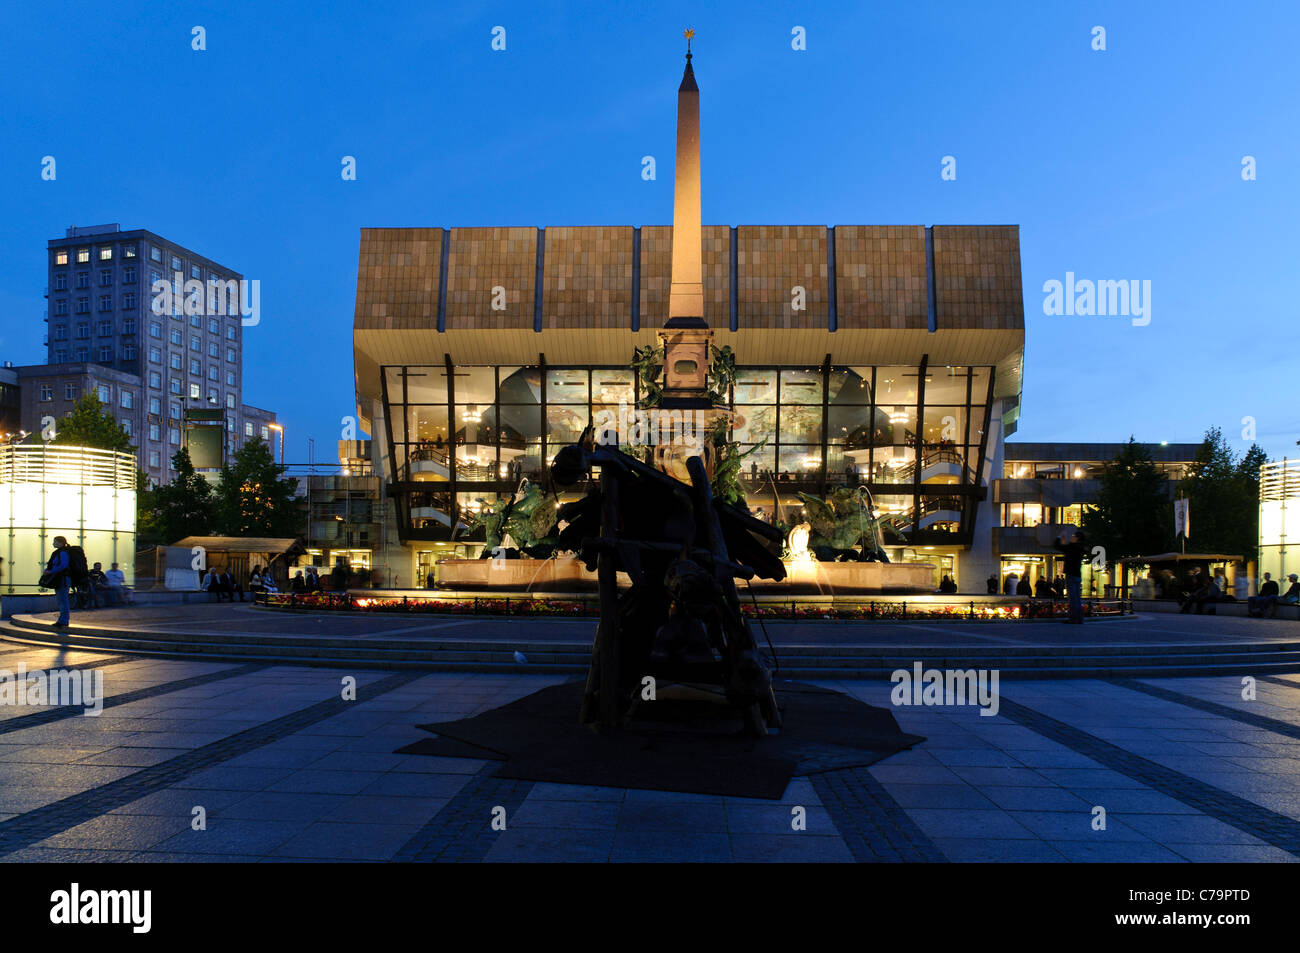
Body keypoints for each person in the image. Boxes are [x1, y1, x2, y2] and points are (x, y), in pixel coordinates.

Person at [1052, 530, 1087, 623]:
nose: (1071, 537)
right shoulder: (1081, 548)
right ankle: (1080, 618)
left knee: (1072, 598)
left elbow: (1057, 546)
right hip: (1077, 575)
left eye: (1073, 536)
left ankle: (1073, 618)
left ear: (1076, 538)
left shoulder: (1072, 547)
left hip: (1071, 574)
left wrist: (1059, 537)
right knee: (1078, 598)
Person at [44, 536, 72, 627]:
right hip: (60, 578)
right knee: (61, 600)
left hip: (63, 579)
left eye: (55, 542)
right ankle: (62, 620)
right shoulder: (60, 552)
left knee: (63, 600)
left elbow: (63, 565)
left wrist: (50, 571)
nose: (53, 543)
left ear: (60, 543)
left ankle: (63, 621)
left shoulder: (63, 552)